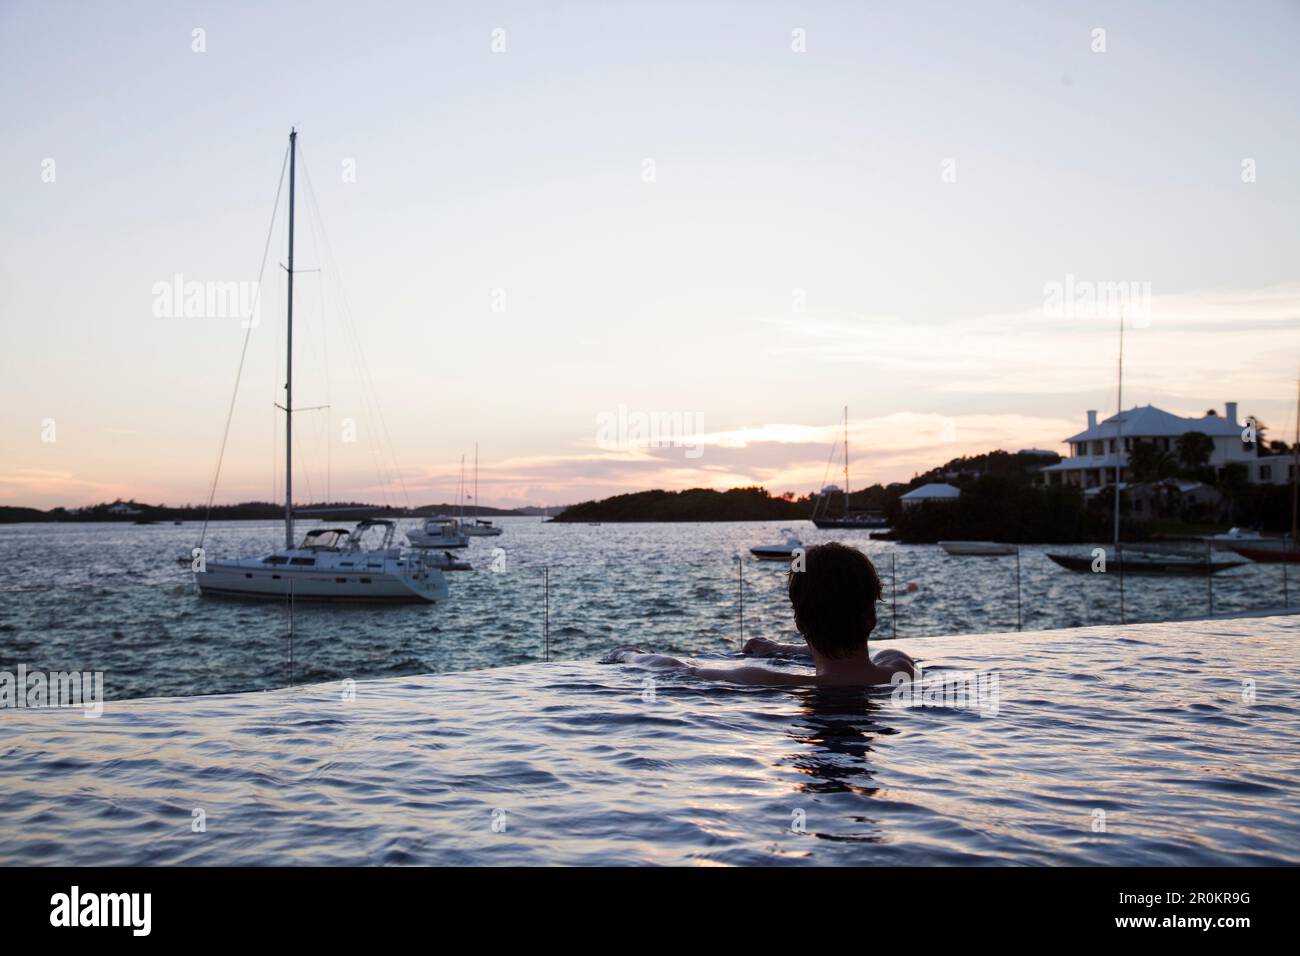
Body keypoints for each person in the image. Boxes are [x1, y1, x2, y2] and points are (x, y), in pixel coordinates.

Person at [603, 542, 914, 687]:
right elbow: (874, 654)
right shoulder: (900, 671)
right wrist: (781, 650)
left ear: (801, 622)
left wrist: (629, 655)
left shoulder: (766, 680)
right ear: (871, 617)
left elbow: (679, 670)